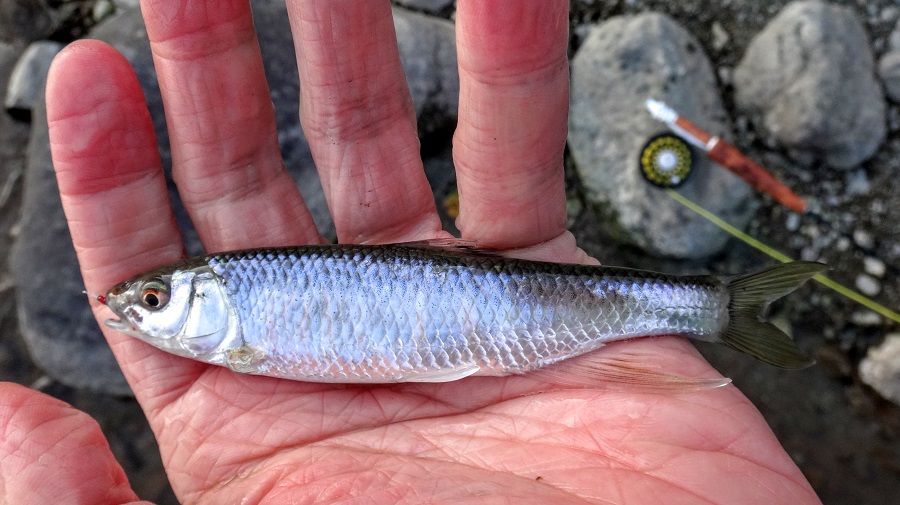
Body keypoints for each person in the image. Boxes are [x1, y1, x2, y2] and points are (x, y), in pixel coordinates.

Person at [0, 1, 822, 503]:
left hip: (490, 315)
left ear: (211, 294)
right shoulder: (236, 329)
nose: (137, 310)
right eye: (149, 301)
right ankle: (713, 306)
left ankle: (712, 307)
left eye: (153, 301)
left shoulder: (243, 329)